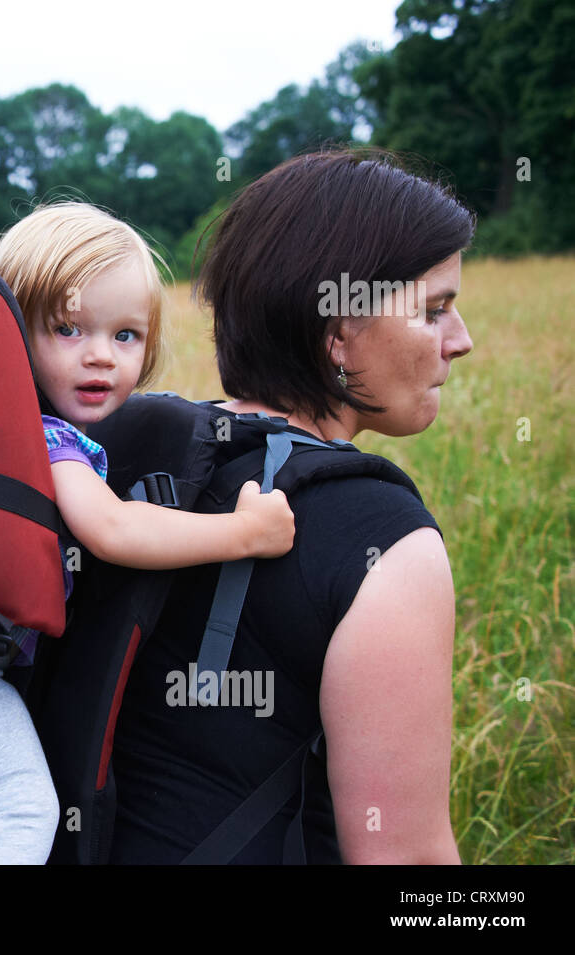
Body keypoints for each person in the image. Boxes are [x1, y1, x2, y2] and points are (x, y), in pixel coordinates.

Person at [104, 149, 473, 863]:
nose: (460, 340)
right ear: (337, 336)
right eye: (433, 310)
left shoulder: (118, 448)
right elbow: (406, 864)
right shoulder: (385, 541)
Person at [0, 202, 297, 864]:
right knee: (25, 808)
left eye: (125, 336)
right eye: (67, 329)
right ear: (12, 333)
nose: (100, 357)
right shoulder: (48, 441)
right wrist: (244, 533)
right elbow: (113, 529)